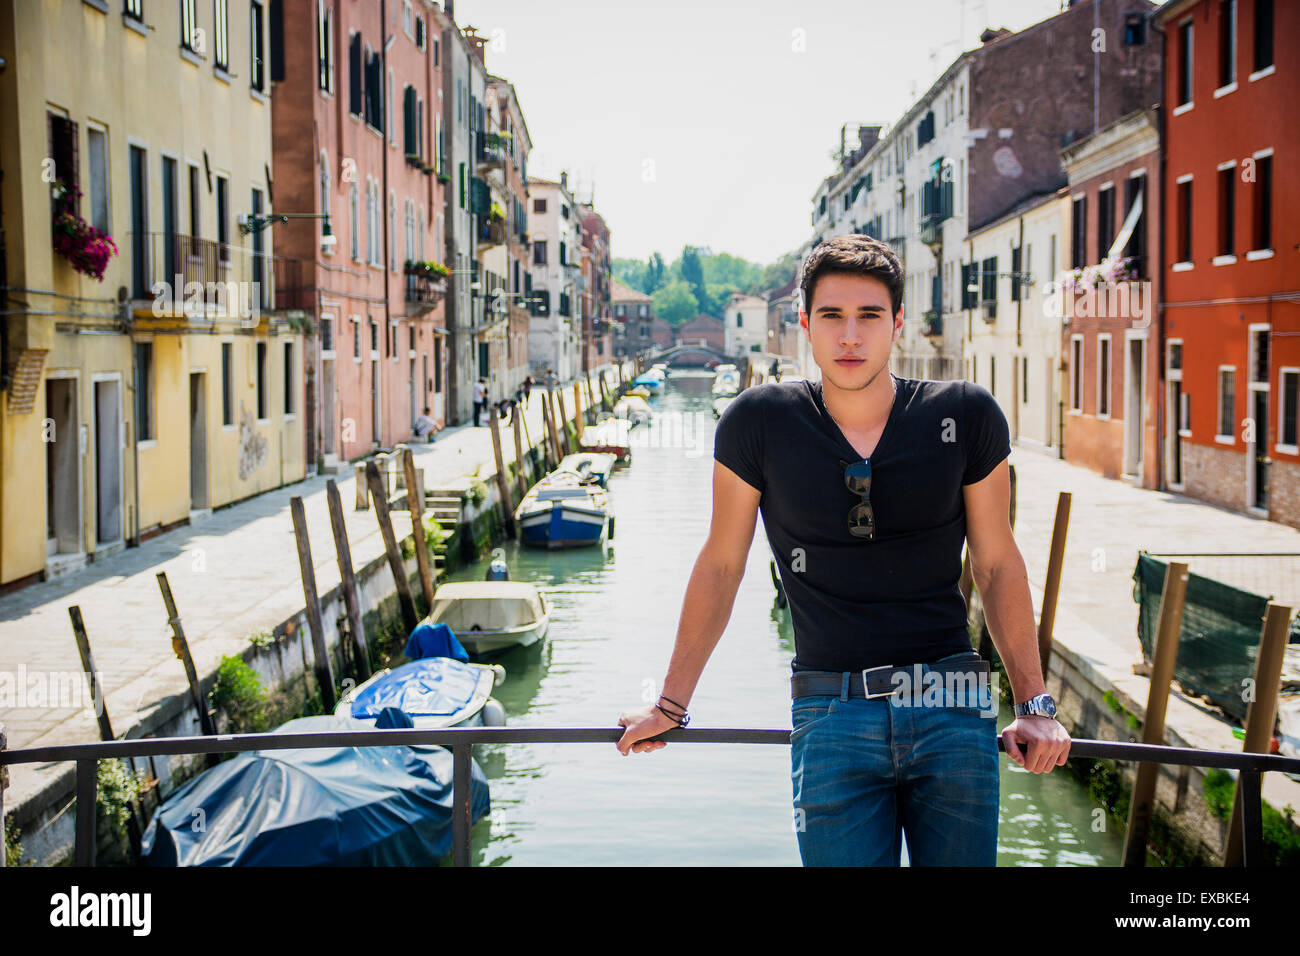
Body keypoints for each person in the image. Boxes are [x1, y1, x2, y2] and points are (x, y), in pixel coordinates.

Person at [616, 233, 1070, 867]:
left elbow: (995, 564)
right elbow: (722, 565)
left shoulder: (965, 414)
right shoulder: (757, 422)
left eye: (869, 317)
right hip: (830, 713)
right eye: (831, 316)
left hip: (951, 704)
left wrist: (1035, 704)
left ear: (897, 323)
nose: (850, 336)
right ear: (805, 324)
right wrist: (672, 703)